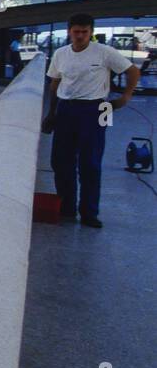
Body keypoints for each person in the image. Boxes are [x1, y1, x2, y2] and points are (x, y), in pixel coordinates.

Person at [41, 14, 141, 228]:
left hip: (98, 107)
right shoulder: (61, 54)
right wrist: (51, 113)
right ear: (69, 31)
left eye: (85, 32)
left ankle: (89, 213)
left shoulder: (105, 52)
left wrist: (125, 97)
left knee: (91, 163)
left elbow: (133, 71)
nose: (80, 36)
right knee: (61, 161)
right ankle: (67, 207)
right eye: (76, 32)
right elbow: (54, 84)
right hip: (67, 108)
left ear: (91, 32)